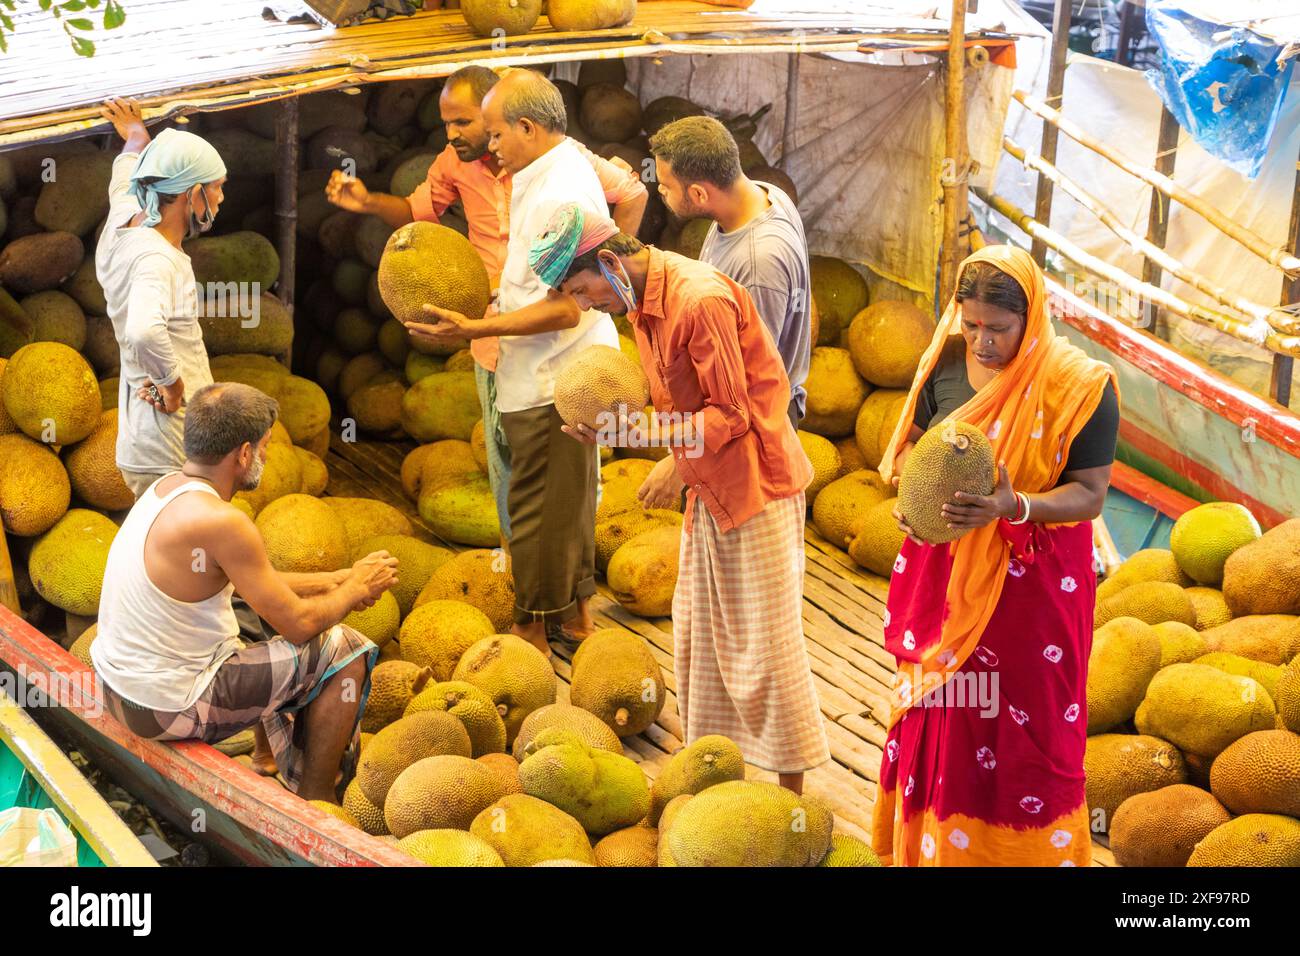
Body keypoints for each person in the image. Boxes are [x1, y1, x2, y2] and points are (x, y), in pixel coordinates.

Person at [538, 203, 831, 794]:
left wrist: (640, 436)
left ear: (611, 260)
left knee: (765, 647)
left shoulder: (697, 300)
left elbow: (731, 416)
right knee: (701, 640)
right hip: (711, 487)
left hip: (756, 487)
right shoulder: (644, 309)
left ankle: (788, 802)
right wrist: (654, 445)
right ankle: (718, 781)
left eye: (584, 289)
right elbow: (686, 411)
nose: (588, 304)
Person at [325, 65, 648, 547]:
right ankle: (523, 568)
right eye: (446, 124)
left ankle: (558, 584)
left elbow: (633, 192)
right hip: (494, 334)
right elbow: (417, 213)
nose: (451, 134)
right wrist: (369, 202)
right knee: (504, 455)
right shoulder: (454, 165)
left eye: (464, 123)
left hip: (557, 337)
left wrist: (602, 276)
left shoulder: (563, 162)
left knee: (561, 470)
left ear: (504, 117)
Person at [872, 245, 1119, 866]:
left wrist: (1015, 507)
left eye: (999, 330)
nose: (982, 342)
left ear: (1030, 318)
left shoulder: (1079, 387)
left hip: (1033, 587)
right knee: (945, 715)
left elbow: (1088, 496)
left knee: (1029, 731)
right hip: (947, 575)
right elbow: (911, 456)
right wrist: (913, 501)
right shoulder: (945, 365)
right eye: (971, 324)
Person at [92, 383, 398, 803]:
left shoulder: (166, 490)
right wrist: (357, 590)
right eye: (265, 446)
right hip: (166, 708)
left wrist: (338, 579)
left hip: (120, 692)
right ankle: (316, 801)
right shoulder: (224, 523)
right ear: (243, 453)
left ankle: (267, 756)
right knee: (344, 649)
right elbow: (299, 623)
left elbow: (259, 586)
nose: (267, 457)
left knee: (248, 608)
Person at [405, 70, 623, 657]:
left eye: (497, 133)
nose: (490, 144)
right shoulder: (554, 167)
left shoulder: (559, 193)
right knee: (572, 498)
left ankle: (530, 628)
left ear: (528, 127)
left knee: (534, 504)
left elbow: (564, 311)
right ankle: (578, 618)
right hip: (563, 369)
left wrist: (475, 327)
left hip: (555, 371)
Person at [96, 97, 227, 496]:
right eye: (217, 189)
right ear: (192, 193)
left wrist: (136, 133)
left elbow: (127, 168)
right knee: (180, 556)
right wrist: (171, 387)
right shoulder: (156, 259)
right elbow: (142, 331)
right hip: (170, 443)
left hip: (145, 437)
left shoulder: (125, 215)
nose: (221, 199)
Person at [648, 115, 811, 429]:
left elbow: (748, 381)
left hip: (754, 422)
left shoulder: (757, 264)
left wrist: (685, 451)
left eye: (666, 187)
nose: (660, 193)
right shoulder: (763, 195)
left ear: (698, 194)